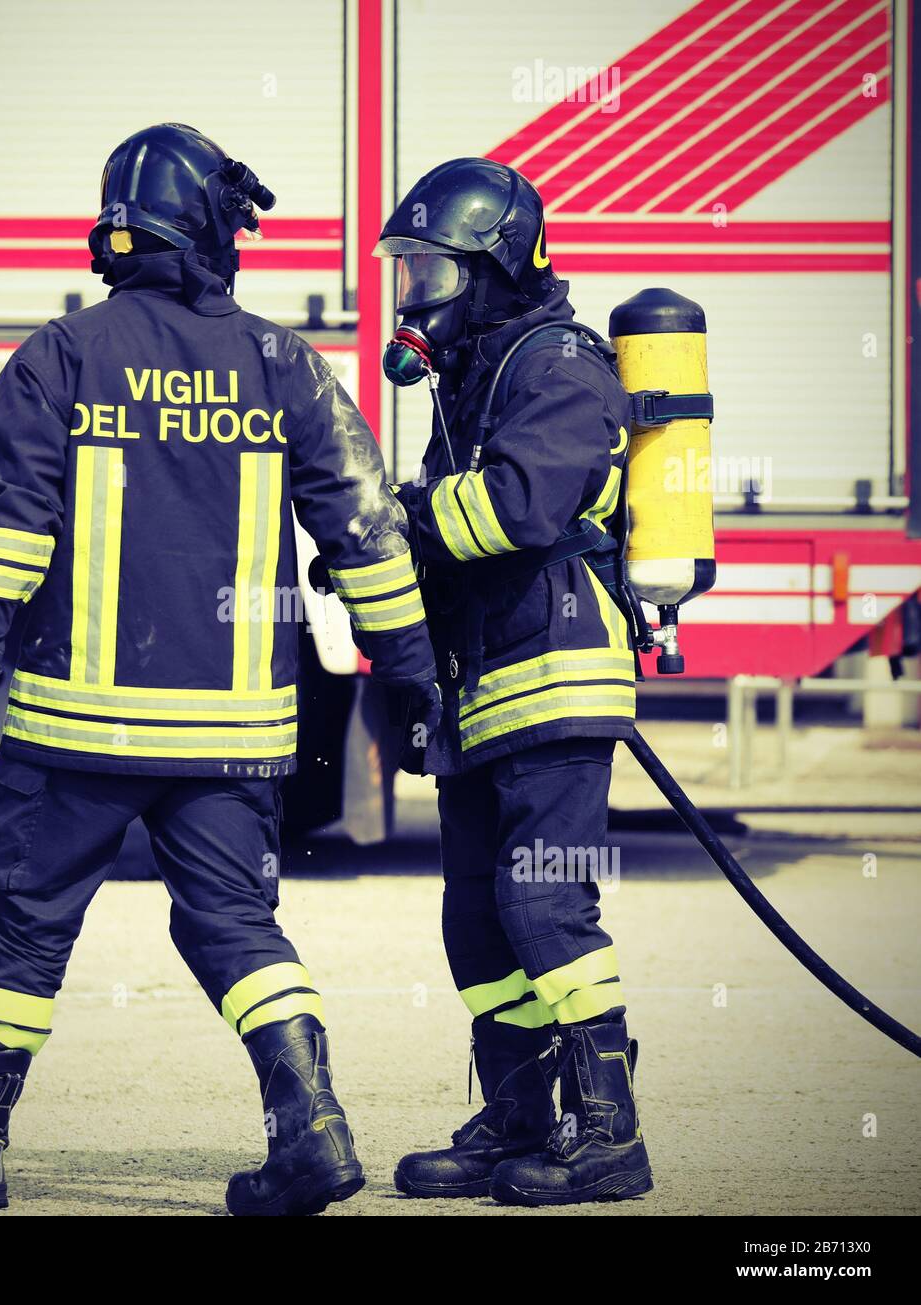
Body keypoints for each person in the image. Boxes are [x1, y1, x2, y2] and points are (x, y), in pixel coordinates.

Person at [0, 123, 439, 1216]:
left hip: (73, 732)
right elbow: (366, 532)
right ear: (220, 230)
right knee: (235, 924)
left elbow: (9, 518)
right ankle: (311, 1129)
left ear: (116, 232)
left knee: (27, 919)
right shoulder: (286, 365)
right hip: (229, 741)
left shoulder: (60, 356)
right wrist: (412, 671)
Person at [375, 158, 653, 1205]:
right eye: (403, 269)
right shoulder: (474, 370)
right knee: (479, 919)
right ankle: (520, 1119)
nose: (410, 294)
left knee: (545, 905)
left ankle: (608, 1136)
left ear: (487, 267)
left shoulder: (559, 362)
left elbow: (522, 508)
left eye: (427, 272)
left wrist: (404, 522)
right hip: (487, 689)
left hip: (557, 683)